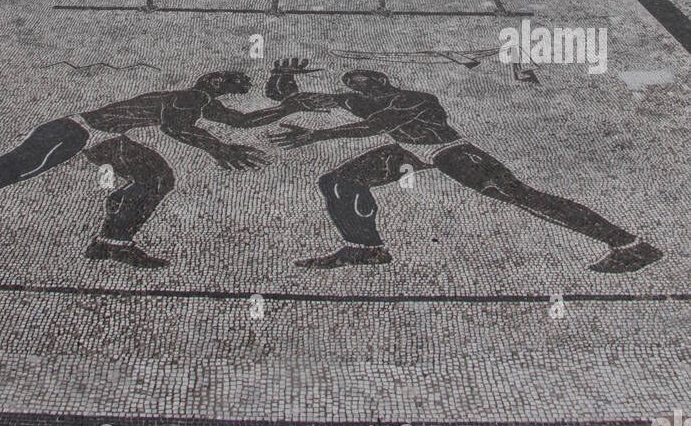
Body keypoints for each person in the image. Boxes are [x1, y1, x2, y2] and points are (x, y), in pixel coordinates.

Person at [0, 70, 302, 271]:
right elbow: (175, 126)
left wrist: (288, 105)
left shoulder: (202, 101)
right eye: (233, 82)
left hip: (105, 138)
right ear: (212, 84)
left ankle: (112, 242)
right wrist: (217, 147)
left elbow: (242, 121)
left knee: (156, 178)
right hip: (73, 133)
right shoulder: (189, 97)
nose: (240, 87)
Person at [268, 66, 663, 274]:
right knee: (338, 181)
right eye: (353, 84)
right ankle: (366, 249)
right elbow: (292, 100)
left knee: (519, 195)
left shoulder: (413, 98)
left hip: (451, 152)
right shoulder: (355, 101)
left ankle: (629, 245)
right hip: (409, 151)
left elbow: (377, 125)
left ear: (382, 81)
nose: (357, 88)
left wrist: (315, 135)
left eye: (364, 82)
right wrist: (281, 76)